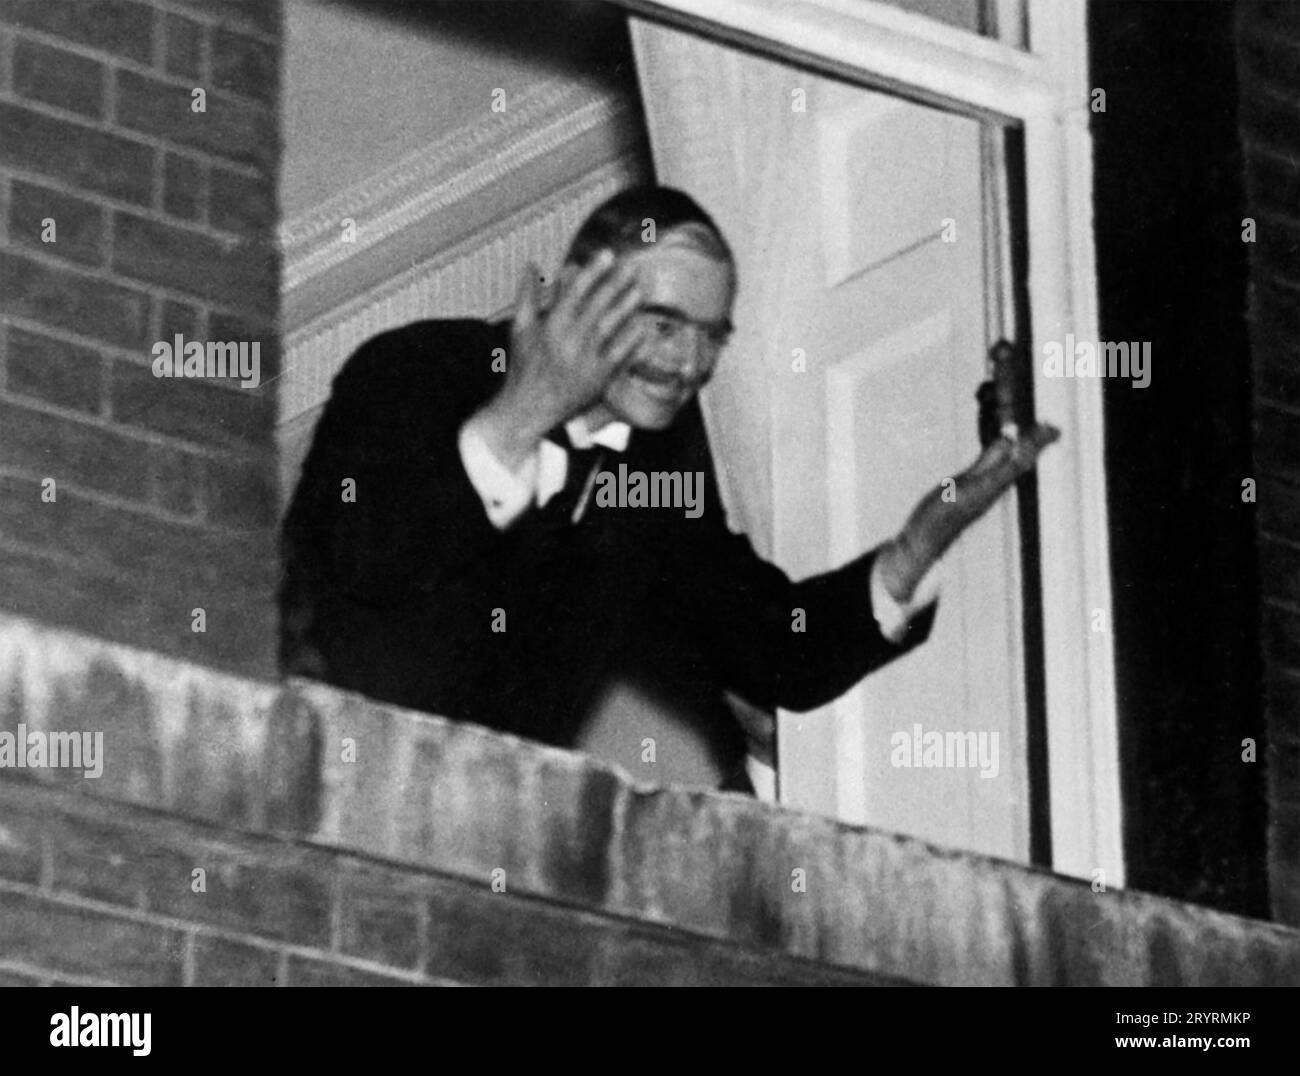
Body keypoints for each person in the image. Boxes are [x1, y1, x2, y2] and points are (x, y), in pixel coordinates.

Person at [279, 186, 1058, 794]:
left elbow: (775, 645)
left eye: (712, 335)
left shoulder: (659, 466)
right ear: (578, 291)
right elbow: (366, 559)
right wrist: (524, 413)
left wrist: (923, 540)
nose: (690, 363)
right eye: (664, 324)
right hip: (323, 788)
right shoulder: (417, 370)